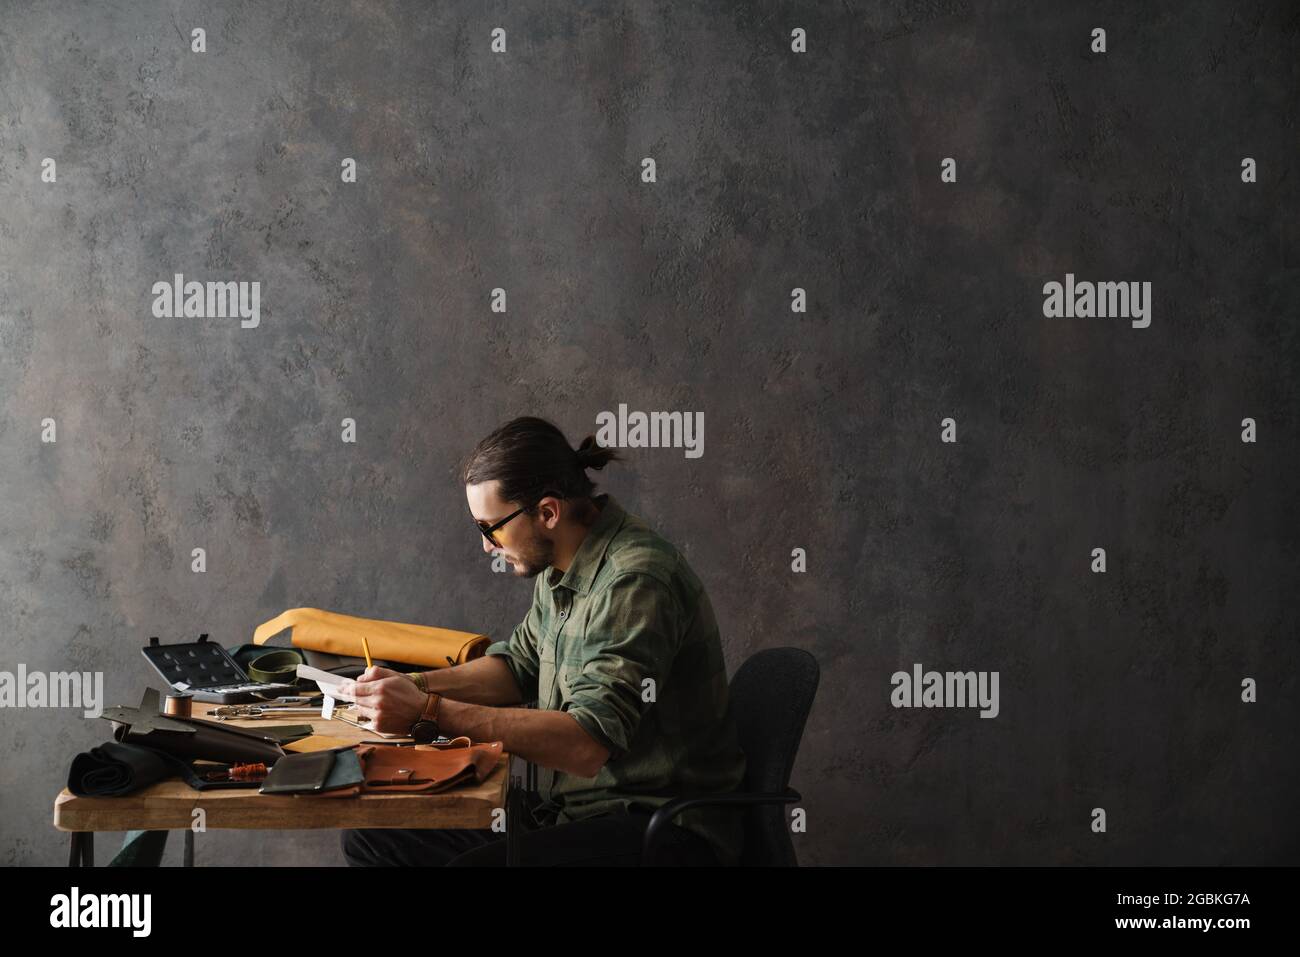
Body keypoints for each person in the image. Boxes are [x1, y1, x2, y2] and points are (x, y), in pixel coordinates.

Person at [340, 416, 747, 866]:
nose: (486, 547)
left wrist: (428, 714)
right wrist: (414, 687)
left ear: (548, 512)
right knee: (376, 837)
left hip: (660, 827)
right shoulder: (561, 566)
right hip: (577, 811)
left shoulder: (635, 580)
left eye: (489, 527)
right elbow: (517, 667)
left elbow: (588, 743)